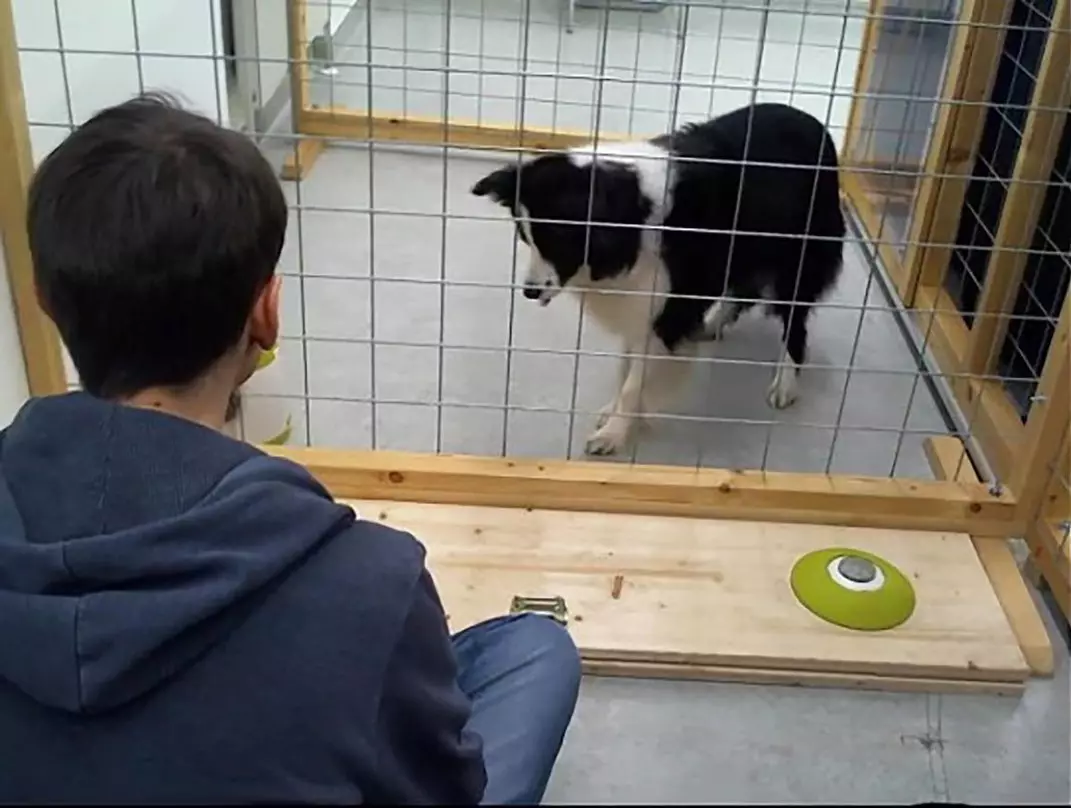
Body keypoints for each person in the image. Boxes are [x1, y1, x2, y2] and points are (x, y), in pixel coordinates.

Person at [0, 92, 581, 804]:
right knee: (534, 647)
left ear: (45, 300)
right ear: (266, 313)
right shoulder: (370, 582)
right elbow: (444, 791)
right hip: (362, 652)